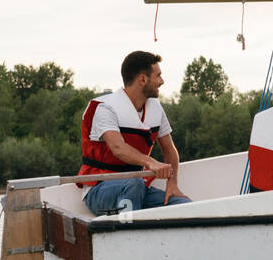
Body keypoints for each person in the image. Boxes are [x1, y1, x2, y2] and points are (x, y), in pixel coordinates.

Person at [78, 51, 193, 215]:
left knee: (184, 205)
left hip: (137, 187)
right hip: (100, 189)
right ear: (142, 79)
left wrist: (172, 184)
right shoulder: (105, 108)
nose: (162, 81)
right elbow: (118, 148)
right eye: (158, 76)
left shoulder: (155, 108)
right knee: (134, 182)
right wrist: (151, 162)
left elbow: (170, 150)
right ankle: (129, 233)